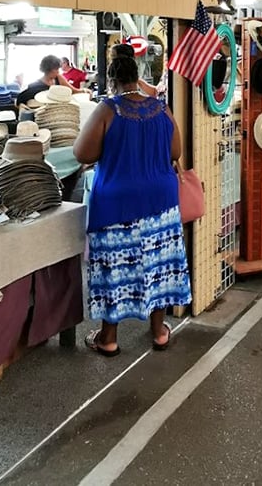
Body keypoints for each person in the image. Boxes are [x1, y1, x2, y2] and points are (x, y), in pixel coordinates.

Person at [73, 52, 191, 355]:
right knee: (158, 266)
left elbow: (82, 154)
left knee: (114, 269)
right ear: (137, 77)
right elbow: (175, 151)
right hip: (160, 202)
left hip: (116, 204)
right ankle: (158, 332)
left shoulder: (108, 110)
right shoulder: (161, 108)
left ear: (112, 80)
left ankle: (108, 338)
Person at [16, 54, 82, 106]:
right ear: (49, 70)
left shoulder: (58, 78)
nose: (58, 72)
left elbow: (73, 90)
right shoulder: (35, 86)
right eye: (56, 69)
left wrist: (84, 91)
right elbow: (19, 100)